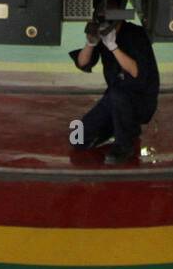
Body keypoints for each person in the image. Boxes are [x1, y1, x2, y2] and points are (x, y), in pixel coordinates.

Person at [69, 11, 160, 165]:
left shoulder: (135, 34)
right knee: (77, 138)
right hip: (114, 99)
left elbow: (135, 72)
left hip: (140, 100)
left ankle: (125, 145)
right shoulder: (104, 35)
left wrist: (113, 47)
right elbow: (83, 62)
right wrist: (90, 43)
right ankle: (116, 128)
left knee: (119, 94)